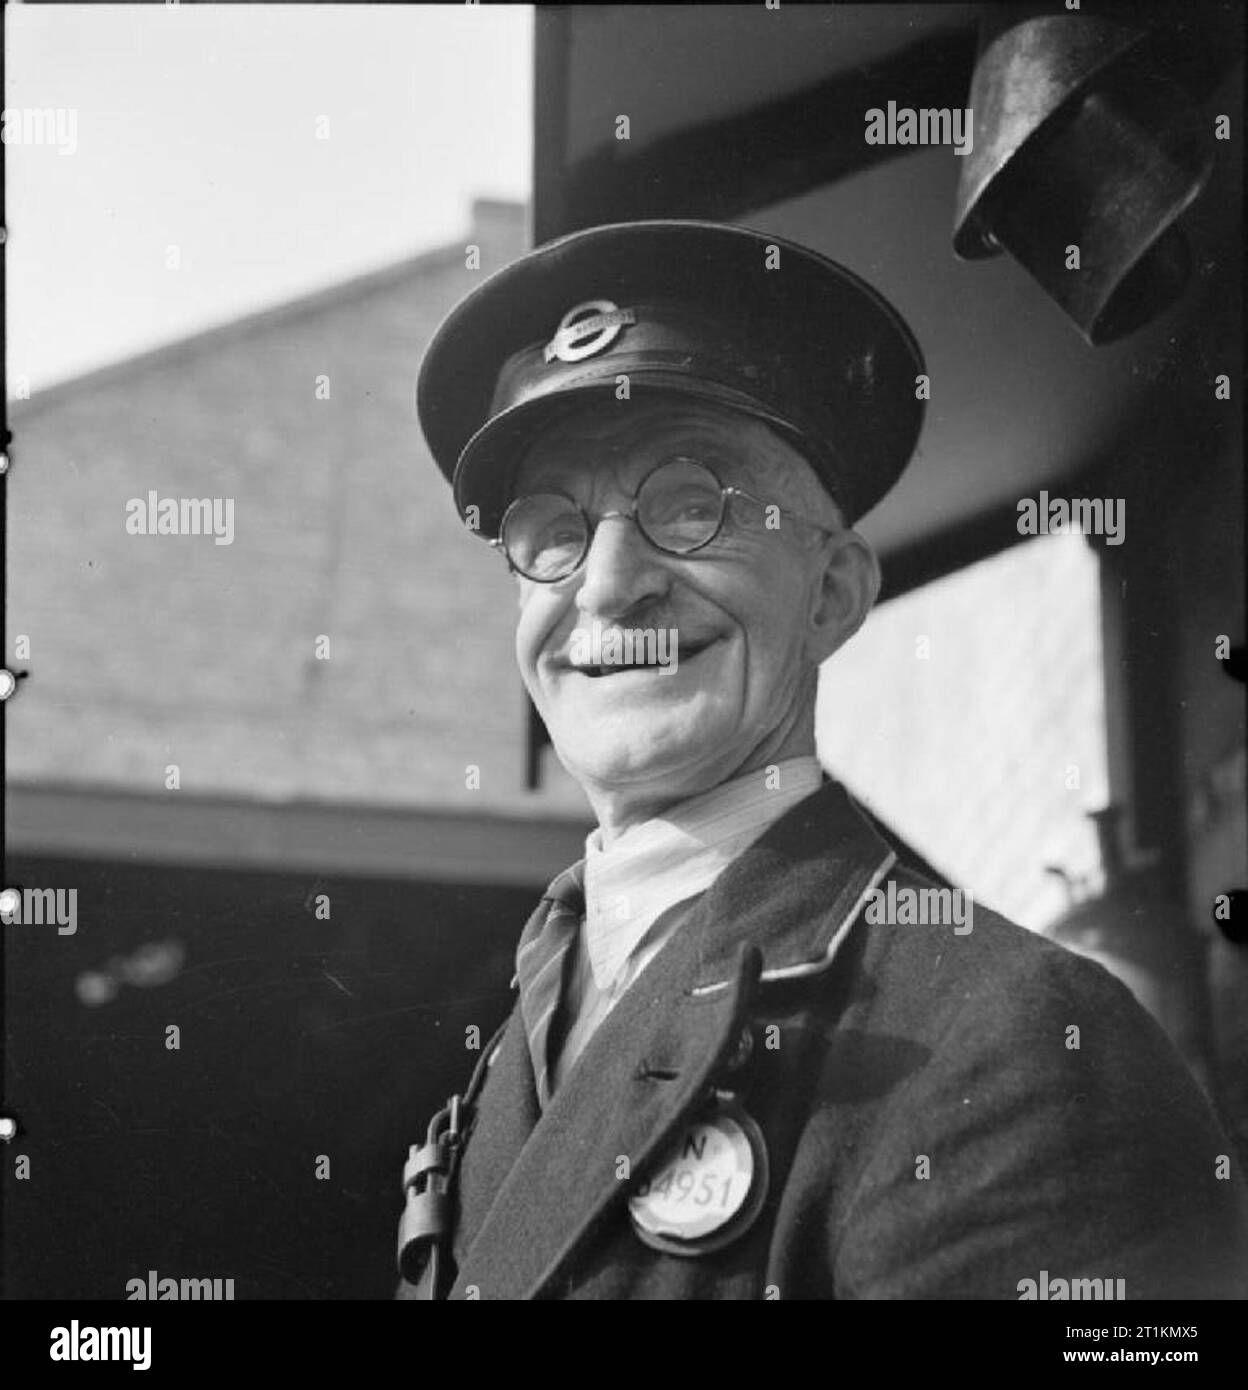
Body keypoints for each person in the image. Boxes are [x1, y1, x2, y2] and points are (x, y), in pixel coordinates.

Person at [396, 219, 1248, 1300]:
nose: (607, 588)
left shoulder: (1020, 1044)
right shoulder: (500, 1073)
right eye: (550, 528)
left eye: (692, 507)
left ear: (834, 593)